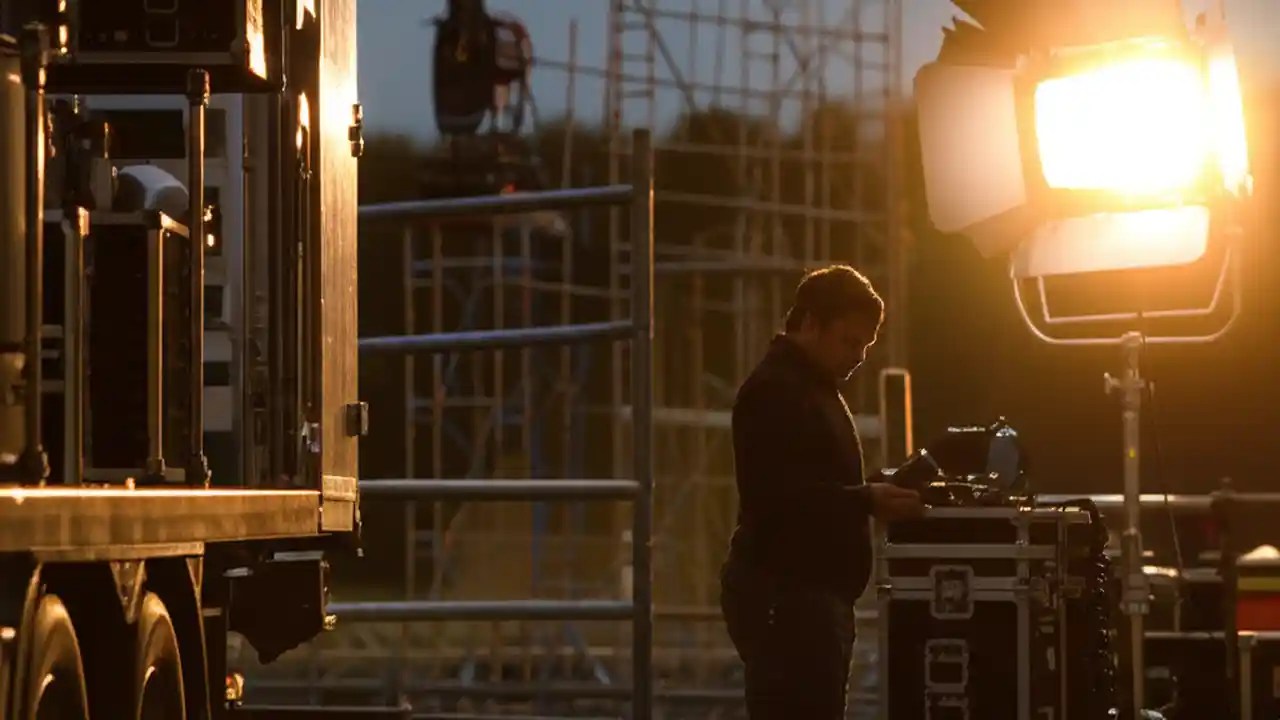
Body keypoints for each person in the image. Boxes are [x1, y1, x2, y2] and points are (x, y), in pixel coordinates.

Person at [720, 264, 925, 719]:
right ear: (810, 323)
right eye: (850, 342)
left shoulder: (808, 388)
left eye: (865, 346)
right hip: (791, 605)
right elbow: (776, 499)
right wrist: (865, 499)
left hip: (807, 606)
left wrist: (869, 490)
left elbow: (811, 488)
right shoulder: (775, 392)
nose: (858, 357)